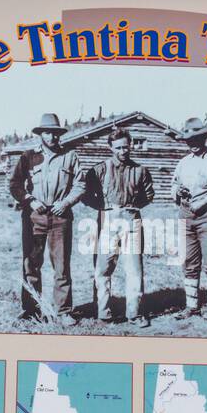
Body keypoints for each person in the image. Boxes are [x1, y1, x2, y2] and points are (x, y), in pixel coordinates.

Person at [9, 113, 86, 325]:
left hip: (61, 218)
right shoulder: (28, 157)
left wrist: (66, 203)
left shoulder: (70, 156)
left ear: (59, 134)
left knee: (61, 266)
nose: (51, 136)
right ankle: (31, 310)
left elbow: (80, 184)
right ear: (40, 134)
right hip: (34, 218)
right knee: (31, 265)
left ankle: (63, 311)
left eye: (54, 132)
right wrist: (30, 201)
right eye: (46, 132)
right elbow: (15, 184)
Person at [87, 128, 155, 327]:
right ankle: (104, 314)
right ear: (110, 147)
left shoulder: (140, 170)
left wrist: (133, 207)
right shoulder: (99, 170)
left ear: (130, 146)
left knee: (134, 269)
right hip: (108, 219)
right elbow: (86, 193)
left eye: (125, 147)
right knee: (103, 269)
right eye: (118, 148)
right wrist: (102, 207)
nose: (122, 151)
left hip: (131, 219)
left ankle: (134, 313)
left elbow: (149, 195)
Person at [170, 118, 207, 321]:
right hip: (185, 215)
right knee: (188, 261)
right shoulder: (183, 162)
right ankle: (192, 305)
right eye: (189, 140)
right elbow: (173, 185)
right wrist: (177, 191)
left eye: (196, 139)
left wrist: (204, 202)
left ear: (204, 138)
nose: (192, 143)